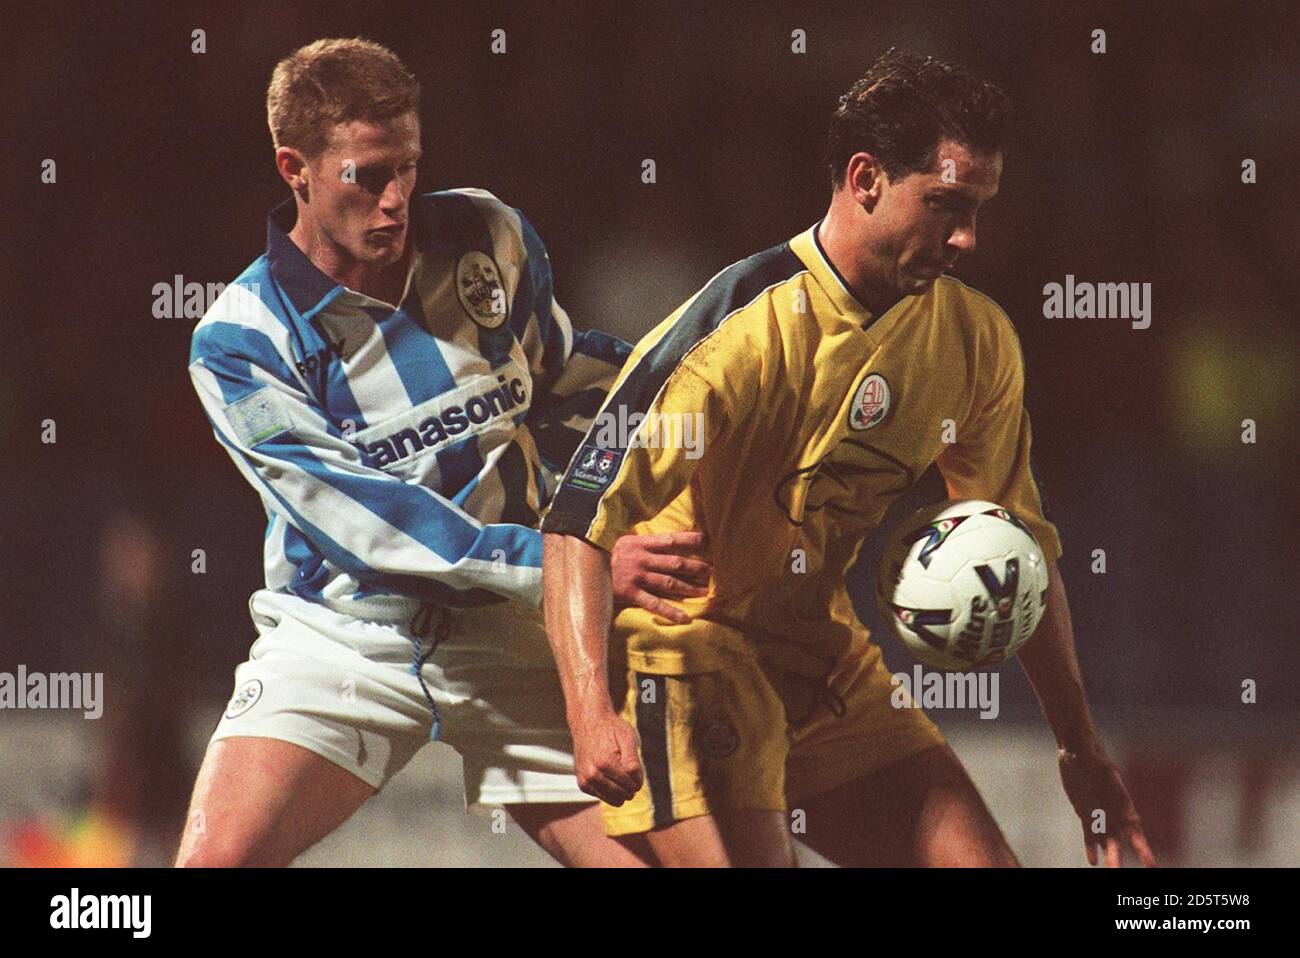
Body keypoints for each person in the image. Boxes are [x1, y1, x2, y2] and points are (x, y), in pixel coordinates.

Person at [540, 49, 1157, 868]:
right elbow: (575, 522)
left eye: (979, 209)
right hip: (684, 651)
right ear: (866, 179)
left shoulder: (975, 341)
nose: (968, 236)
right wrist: (590, 712)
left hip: (819, 654)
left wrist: (1081, 751)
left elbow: (1023, 553)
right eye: (945, 205)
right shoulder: (732, 332)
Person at [177, 38, 707, 867]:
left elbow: (561, 375)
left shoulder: (485, 234)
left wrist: (711, 404)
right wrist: (582, 564)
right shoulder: (240, 342)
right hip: (348, 637)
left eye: (409, 167)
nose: (395, 200)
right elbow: (374, 530)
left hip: (513, 630)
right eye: (367, 175)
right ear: (296, 167)